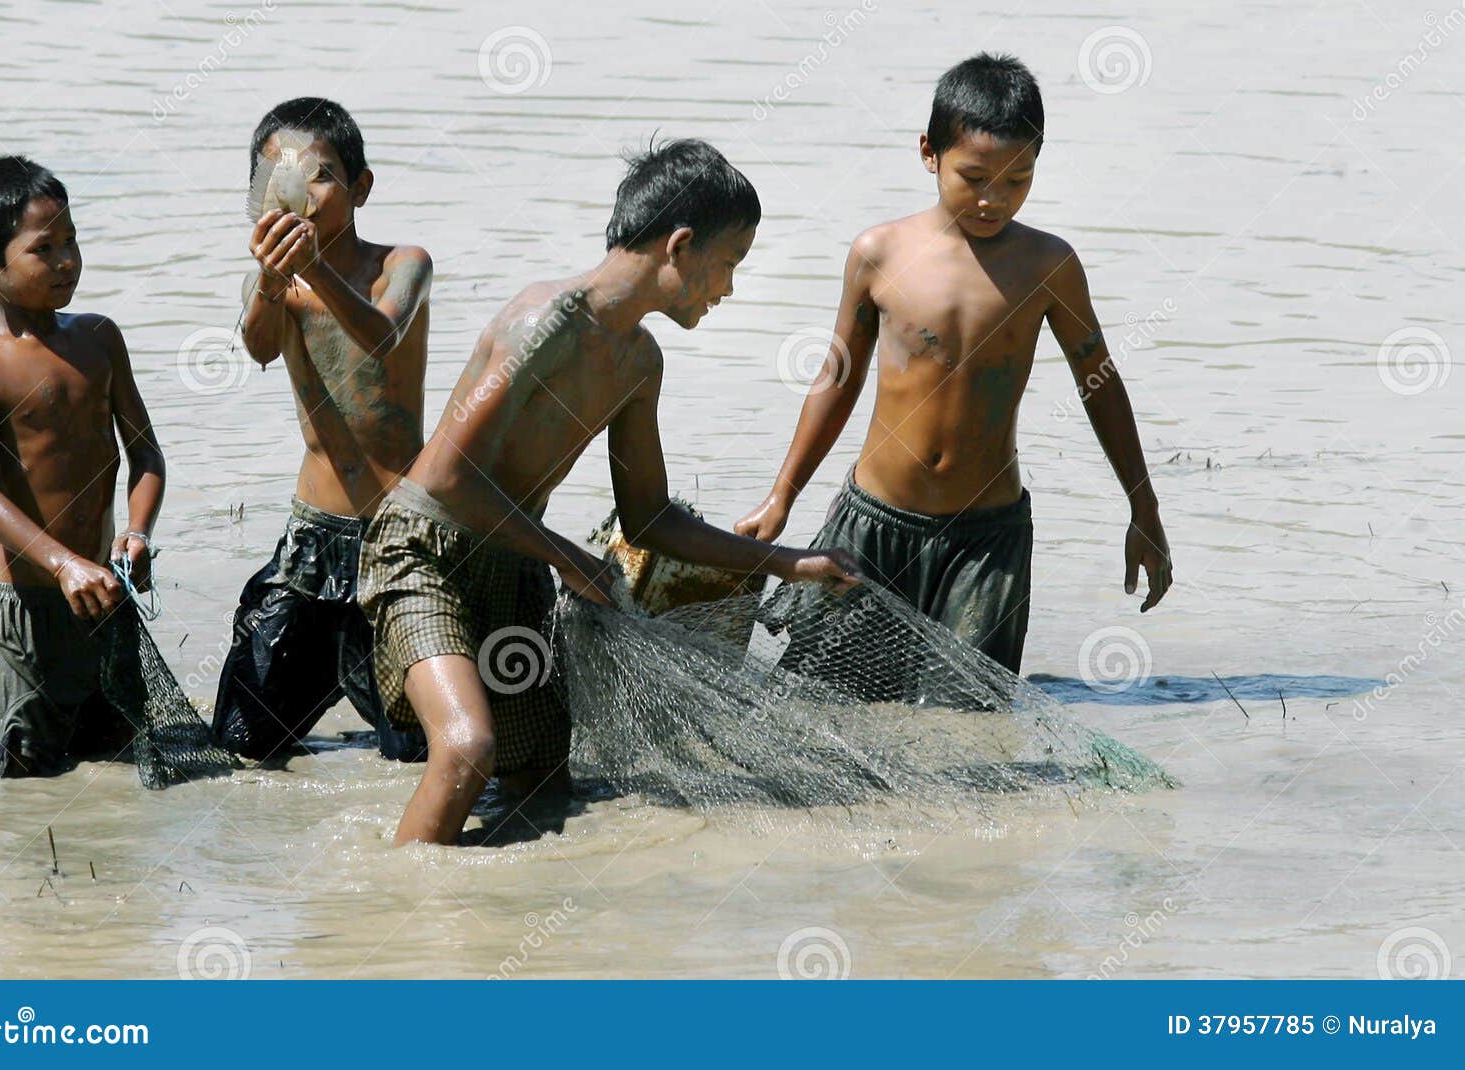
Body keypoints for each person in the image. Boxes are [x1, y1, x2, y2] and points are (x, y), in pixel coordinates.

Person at [358, 138, 861, 845]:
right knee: (467, 751)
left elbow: (649, 518)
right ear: (679, 247)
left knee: (541, 780)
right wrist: (569, 558)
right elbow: (445, 481)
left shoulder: (638, 362)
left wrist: (789, 562)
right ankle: (396, 919)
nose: (729, 288)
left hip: (511, 560)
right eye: (729, 263)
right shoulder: (545, 323)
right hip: (422, 549)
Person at [736, 53, 1172, 672]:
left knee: (968, 724)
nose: (994, 200)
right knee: (824, 702)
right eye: (974, 177)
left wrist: (1144, 509)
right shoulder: (878, 252)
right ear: (928, 154)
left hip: (986, 543)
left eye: (1017, 181)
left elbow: (1098, 385)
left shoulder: (1049, 267)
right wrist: (782, 495)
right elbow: (838, 376)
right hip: (873, 526)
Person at [213, 98, 432, 762]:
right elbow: (257, 347)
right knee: (245, 741)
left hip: (395, 534)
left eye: (321, 174)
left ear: (361, 187)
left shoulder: (402, 263)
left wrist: (311, 269)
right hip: (312, 538)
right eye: (279, 176)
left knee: (416, 747)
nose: (299, 192)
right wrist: (274, 282)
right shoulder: (276, 281)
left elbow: (382, 335)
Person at [0, 155, 166, 776]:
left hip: (99, 595)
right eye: (44, 249)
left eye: (72, 240)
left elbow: (145, 454)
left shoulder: (99, 338)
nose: (68, 260)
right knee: (19, 776)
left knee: (116, 764)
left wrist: (137, 531)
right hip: (19, 605)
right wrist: (63, 562)